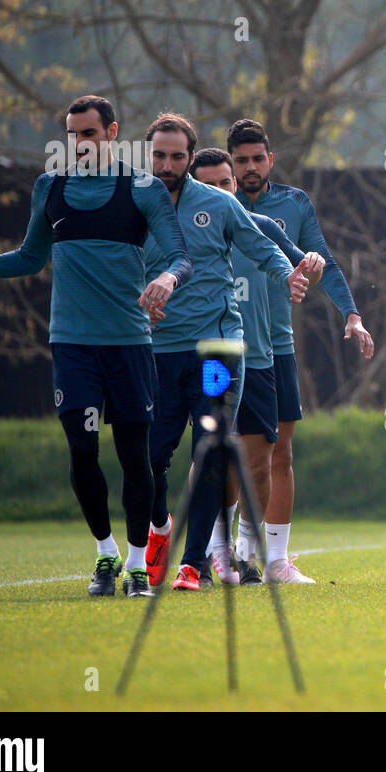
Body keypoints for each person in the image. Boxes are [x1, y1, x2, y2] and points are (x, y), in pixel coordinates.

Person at [0, 95, 193, 598]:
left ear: (112, 133)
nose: (79, 143)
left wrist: (168, 281)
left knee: (137, 455)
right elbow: (29, 258)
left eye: (88, 133)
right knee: (83, 450)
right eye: (72, 134)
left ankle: (138, 565)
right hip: (73, 344)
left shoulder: (144, 188)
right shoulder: (50, 187)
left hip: (130, 343)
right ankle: (106, 557)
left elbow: (180, 256)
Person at [136, 115, 310, 592]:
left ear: (191, 157)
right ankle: (159, 529)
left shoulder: (217, 204)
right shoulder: (135, 207)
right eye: (159, 155)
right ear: (147, 155)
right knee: (150, 456)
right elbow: (119, 264)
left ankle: (194, 564)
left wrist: (287, 274)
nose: (168, 164)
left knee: (210, 449)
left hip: (216, 352)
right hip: (160, 353)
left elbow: (263, 246)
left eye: (177, 156)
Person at [229, 119, 373, 584]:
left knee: (279, 452)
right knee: (226, 452)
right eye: (241, 160)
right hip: (224, 346)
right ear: (230, 163)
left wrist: (351, 314)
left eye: (257, 159)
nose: (250, 167)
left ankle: (275, 562)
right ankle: (224, 553)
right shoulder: (214, 204)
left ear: (270, 160)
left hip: (278, 345)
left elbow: (320, 263)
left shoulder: (293, 205)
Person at [186, 147, 322, 586]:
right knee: (216, 454)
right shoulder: (179, 233)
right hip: (216, 358)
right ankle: (211, 551)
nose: (220, 194)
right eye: (209, 186)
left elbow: (294, 264)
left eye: (225, 184)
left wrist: (309, 271)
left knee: (261, 464)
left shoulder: (258, 226)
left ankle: (250, 552)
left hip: (262, 359)